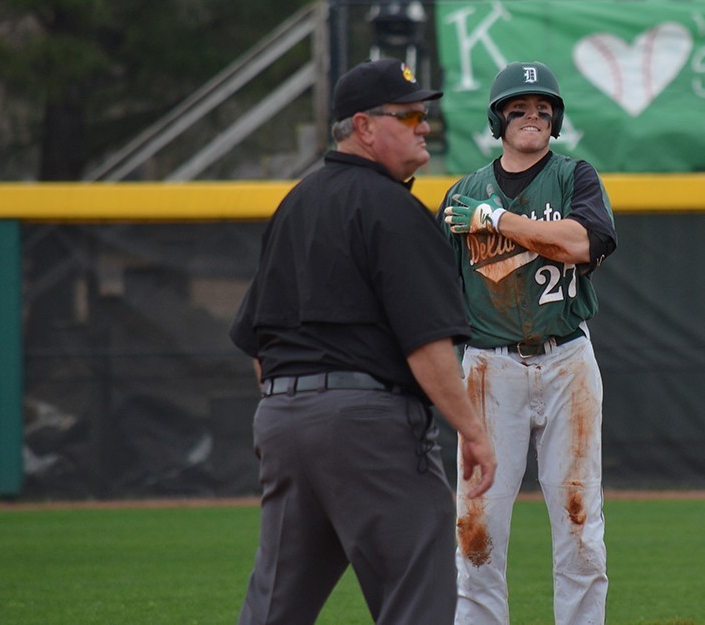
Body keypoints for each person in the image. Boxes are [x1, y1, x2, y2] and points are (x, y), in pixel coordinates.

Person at [230, 58, 497, 625]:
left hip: (282, 420)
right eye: (407, 114)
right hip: (368, 429)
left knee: (276, 604)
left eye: (424, 113)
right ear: (364, 126)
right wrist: (472, 431)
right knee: (416, 594)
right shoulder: (394, 209)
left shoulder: (293, 205)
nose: (424, 124)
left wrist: (297, 414)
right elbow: (427, 347)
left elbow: (257, 341)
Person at [439, 61, 617, 625]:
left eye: (543, 108)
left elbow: (585, 242)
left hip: (566, 357)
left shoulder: (574, 177)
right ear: (498, 119)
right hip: (488, 367)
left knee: (580, 521)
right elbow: (437, 295)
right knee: (477, 525)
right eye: (519, 107)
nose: (532, 116)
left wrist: (494, 219)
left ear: (556, 120)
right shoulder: (461, 193)